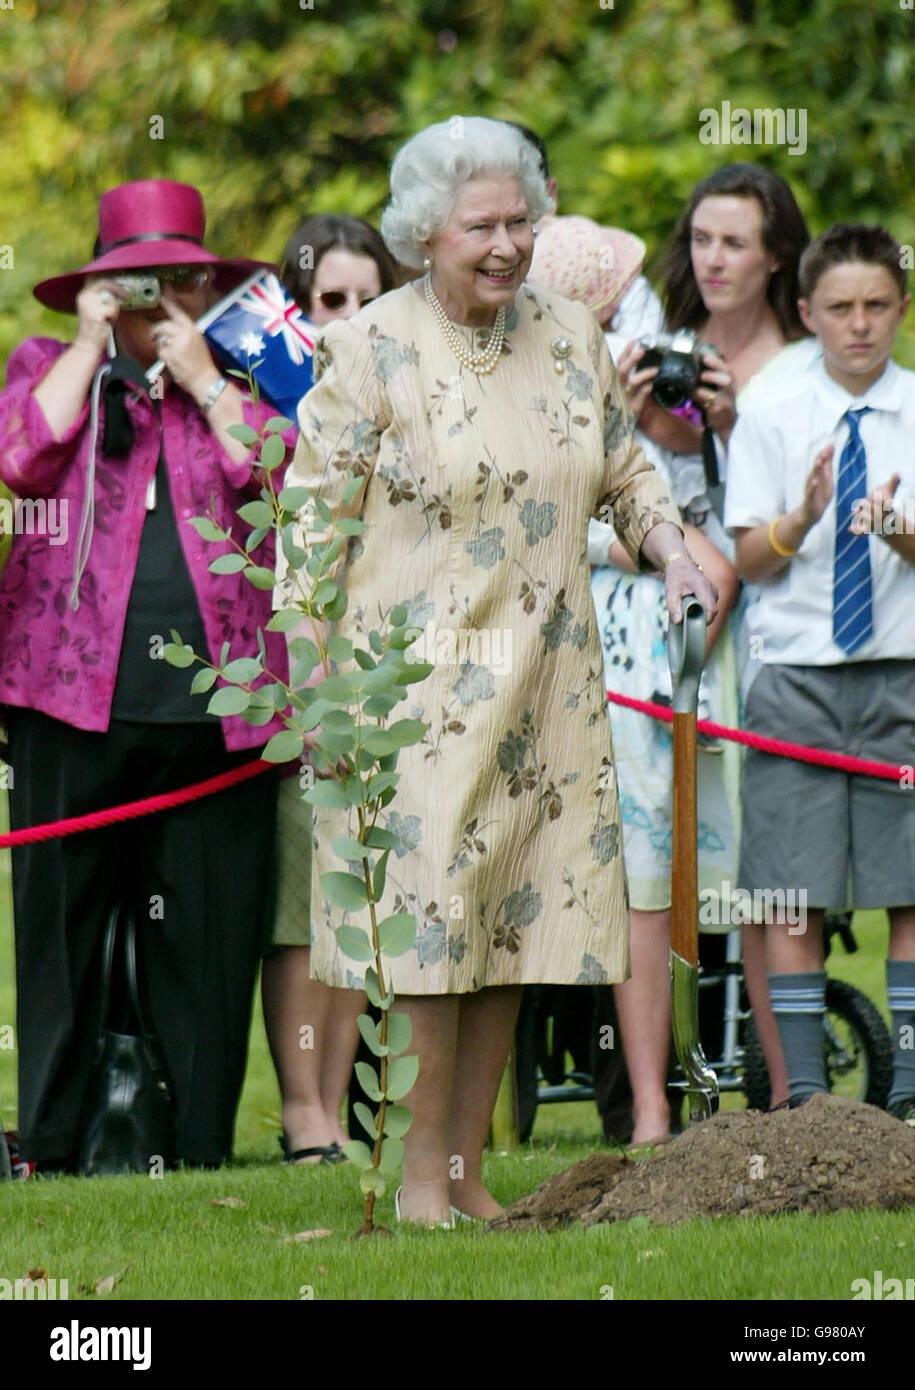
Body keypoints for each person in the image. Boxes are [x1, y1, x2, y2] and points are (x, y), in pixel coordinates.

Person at [280, 116, 715, 1224]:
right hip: (408, 692)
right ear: (427, 230)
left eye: (522, 219)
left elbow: (623, 468)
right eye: (483, 224)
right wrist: (319, 688)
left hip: (547, 685)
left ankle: (465, 1179)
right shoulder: (368, 346)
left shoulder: (571, 332)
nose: (508, 243)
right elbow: (308, 537)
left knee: (509, 923)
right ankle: (416, 1182)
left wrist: (669, 551)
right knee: (428, 936)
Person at [0, 179, 290, 1169]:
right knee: (59, 931)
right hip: (67, 701)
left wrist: (205, 377)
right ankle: (48, 1140)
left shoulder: (245, 375)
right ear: (96, 284)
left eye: (178, 275)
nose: (155, 294)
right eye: (133, 278)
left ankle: (197, 1139)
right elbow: (23, 455)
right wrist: (89, 347)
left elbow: (280, 469)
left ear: (208, 280)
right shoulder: (51, 363)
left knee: (206, 934)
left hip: (217, 713)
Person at [590, 164, 814, 1142]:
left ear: (776, 255)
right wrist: (640, 427)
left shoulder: (806, 370)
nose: (713, 260)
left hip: (765, 645)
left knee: (767, 882)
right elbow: (598, 503)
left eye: (735, 242)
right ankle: (650, 1112)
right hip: (648, 653)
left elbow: (795, 534)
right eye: (701, 240)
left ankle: (787, 1104)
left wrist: (731, 432)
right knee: (646, 879)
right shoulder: (653, 357)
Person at [726, 223, 915, 1125]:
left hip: (899, 675)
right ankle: (806, 1103)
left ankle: (910, 1093)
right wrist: (803, 516)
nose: (859, 326)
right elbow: (747, 560)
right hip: (795, 678)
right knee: (790, 889)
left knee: (906, 887)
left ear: (900, 308)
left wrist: (895, 531)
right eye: (839, 308)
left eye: (877, 305)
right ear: (804, 312)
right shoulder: (769, 405)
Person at [263, 214, 402, 1163]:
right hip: (296, 674)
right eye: (330, 301)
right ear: (296, 312)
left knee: (365, 899)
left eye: (367, 299)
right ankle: (302, 1110)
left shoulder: (409, 395)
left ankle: (352, 1112)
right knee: (300, 905)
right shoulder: (265, 406)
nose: (349, 317)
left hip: (393, 667)